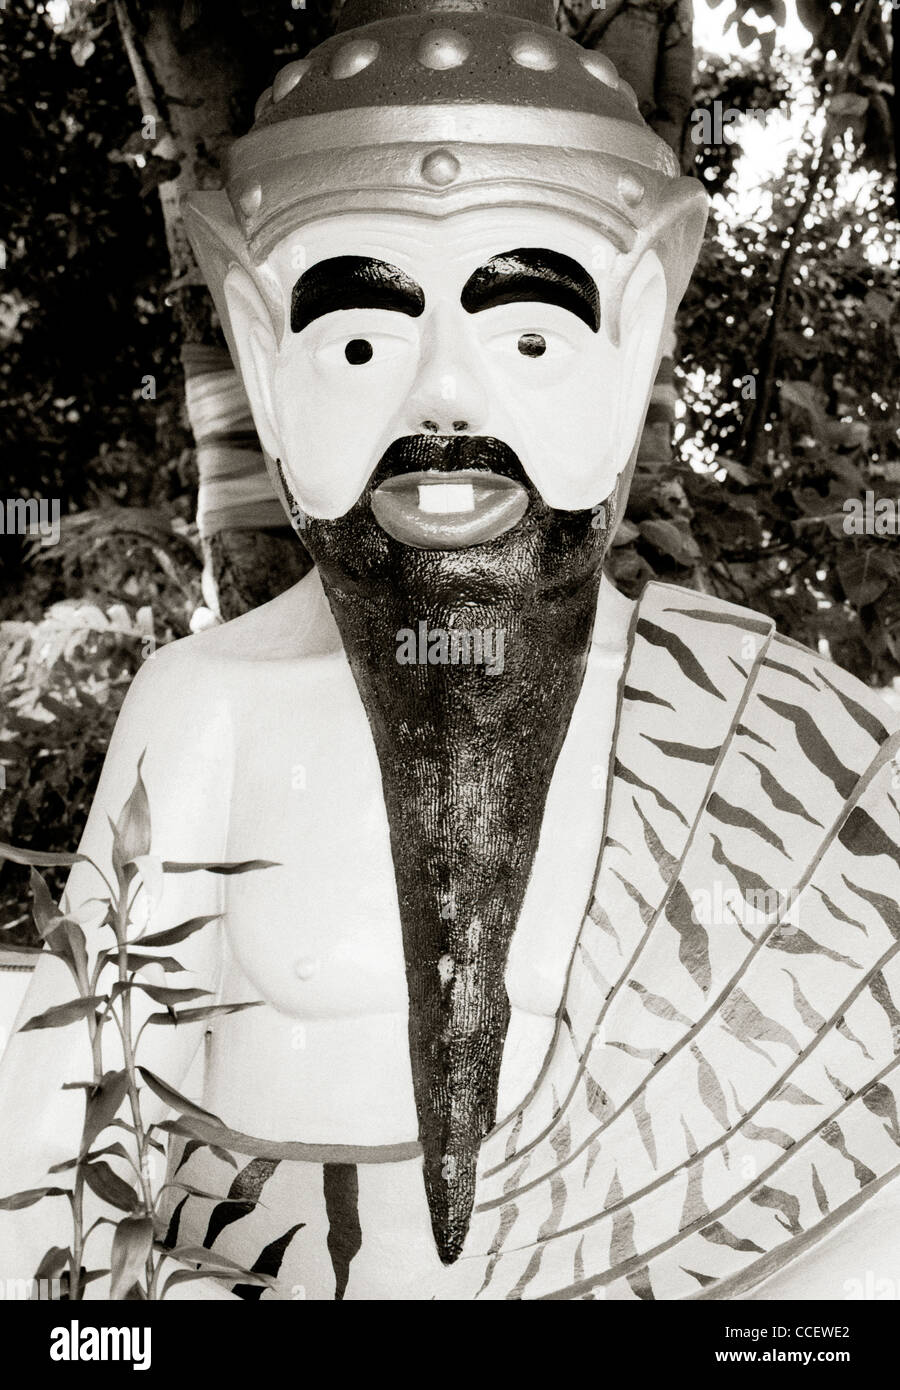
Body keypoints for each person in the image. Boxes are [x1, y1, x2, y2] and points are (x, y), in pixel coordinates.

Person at [1, 0, 898, 1300]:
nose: (444, 394)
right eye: (359, 339)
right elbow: (61, 1138)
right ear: (261, 345)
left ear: (636, 325)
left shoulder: (768, 749)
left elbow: (864, 1187)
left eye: (528, 335)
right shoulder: (213, 709)